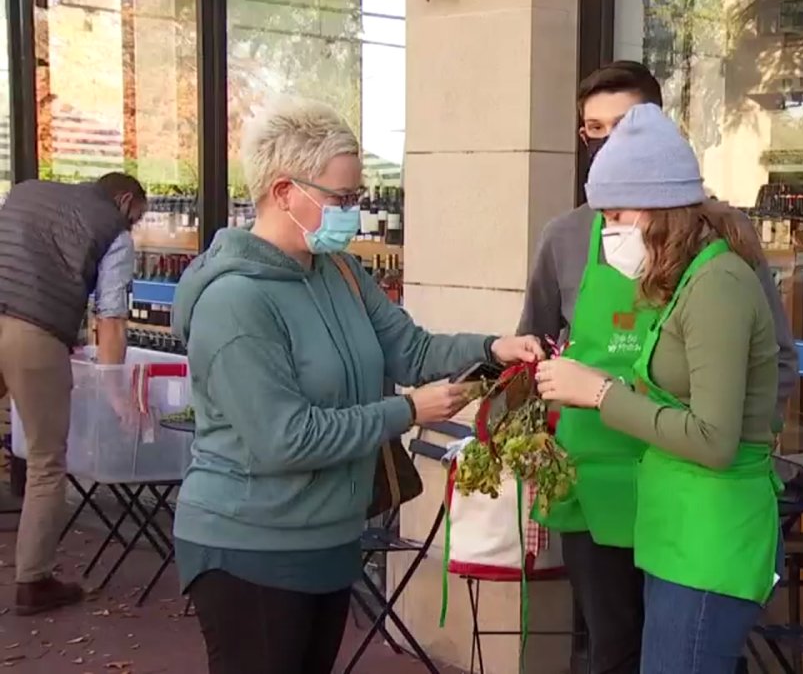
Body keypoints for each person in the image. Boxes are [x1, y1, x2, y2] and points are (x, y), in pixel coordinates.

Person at [170, 99, 544, 674]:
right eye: (341, 199)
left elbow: (412, 349)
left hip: (329, 541)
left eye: (358, 197)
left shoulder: (341, 271)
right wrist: (406, 411)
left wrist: (492, 348)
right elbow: (284, 439)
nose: (355, 213)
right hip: (250, 547)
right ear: (284, 191)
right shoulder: (234, 301)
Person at [518, 61, 796, 673]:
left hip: (701, 511)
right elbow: (533, 340)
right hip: (623, 492)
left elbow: (720, 430)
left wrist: (600, 394)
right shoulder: (577, 240)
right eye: (594, 130)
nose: (608, 229)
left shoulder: (717, 276)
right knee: (617, 651)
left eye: (617, 216)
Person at [0, 173, 146, 615]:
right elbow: (113, 317)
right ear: (123, 200)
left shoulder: (25, 193)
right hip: (33, 334)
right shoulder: (112, 232)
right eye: (136, 218)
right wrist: (116, 390)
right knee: (47, 462)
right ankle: (34, 582)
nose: (134, 228)